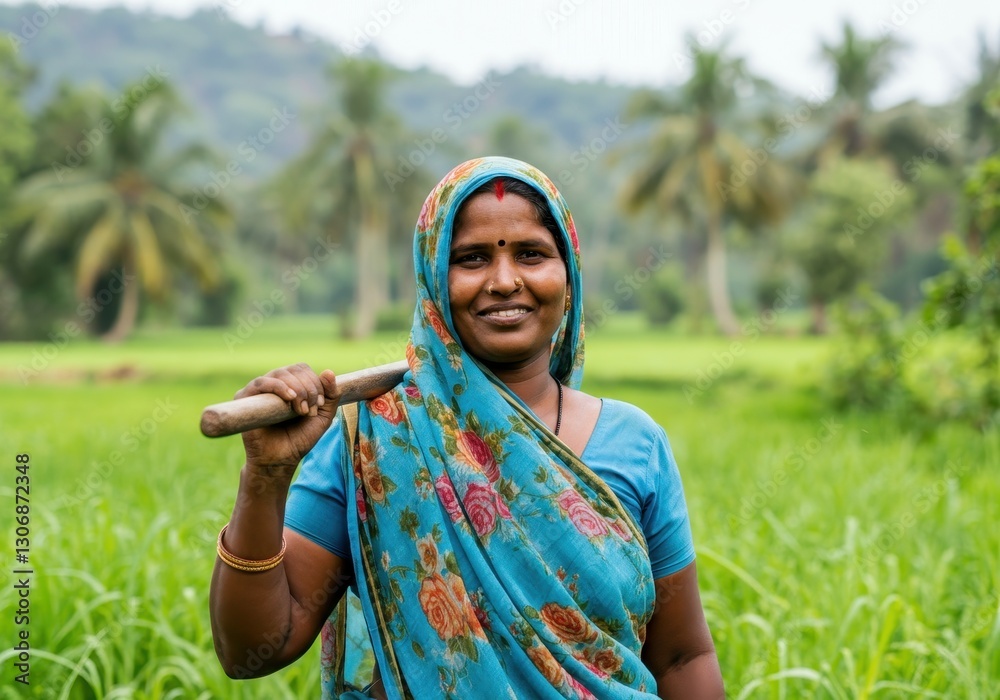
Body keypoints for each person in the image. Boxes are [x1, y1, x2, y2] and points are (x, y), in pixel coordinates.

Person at [210, 157, 725, 699]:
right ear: (433, 277)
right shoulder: (373, 435)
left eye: (531, 254)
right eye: (471, 259)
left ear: (567, 271)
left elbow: (680, 655)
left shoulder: (636, 442)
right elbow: (252, 650)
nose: (505, 282)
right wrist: (265, 475)